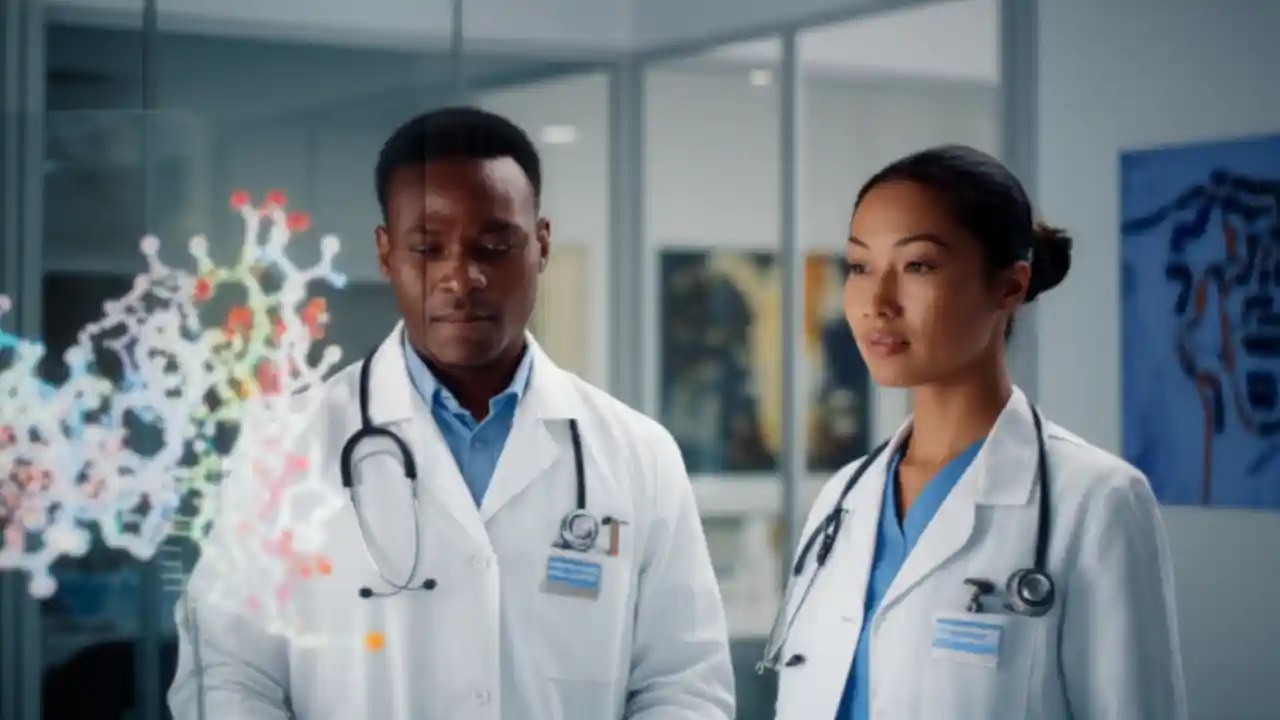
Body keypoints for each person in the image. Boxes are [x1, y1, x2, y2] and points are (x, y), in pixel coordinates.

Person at [168, 107, 734, 719]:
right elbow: (227, 676)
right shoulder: (287, 446)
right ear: (386, 253)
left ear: (540, 245)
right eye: (428, 248)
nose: (461, 278)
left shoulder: (638, 455)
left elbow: (683, 686)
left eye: (494, 246)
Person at [764, 145, 1187, 719]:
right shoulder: (843, 499)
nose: (877, 303)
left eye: (918, 266)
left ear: (1010, 287)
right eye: (860, 266)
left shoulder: (1094, 501)